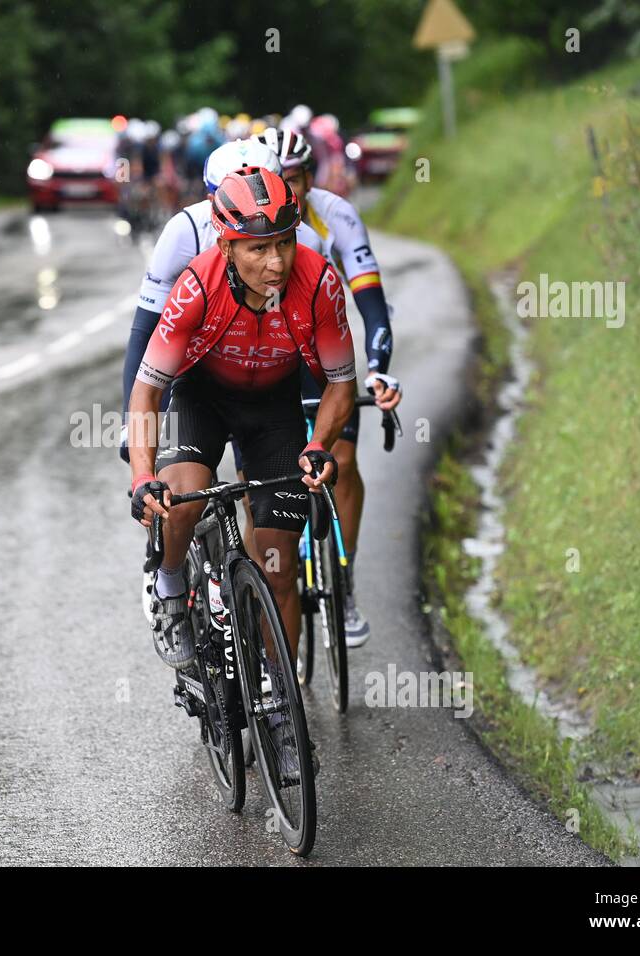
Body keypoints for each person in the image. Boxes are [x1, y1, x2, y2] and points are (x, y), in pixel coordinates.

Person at [128, 167, 355, 771]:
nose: (276, 261)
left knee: (279, 562)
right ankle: (172, 584)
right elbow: (147, 394)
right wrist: (142, 476)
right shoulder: (196, 289)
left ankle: (281, 711)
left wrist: (320, 444)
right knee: (187, 496)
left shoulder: (318, 282)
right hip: (203, 400)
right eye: (258, 248)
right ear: (226, 245)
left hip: (275, 410)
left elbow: (339, 384)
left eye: (284, 242)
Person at [259, 126, 402, 647]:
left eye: (291, 180)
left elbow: (370, 300)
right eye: (273, 179)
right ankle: (273, 587)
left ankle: (342, 580)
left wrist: (380, 366)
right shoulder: (244, 223)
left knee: (341, 460)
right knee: (260, 477)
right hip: (264, 360)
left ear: (308, 178)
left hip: (322, 355)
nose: (283, 192)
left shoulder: (333, 214)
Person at [119, 138, 327, 437]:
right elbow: (146, 330)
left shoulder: (305, 241)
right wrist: (134, 424)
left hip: (265, 374)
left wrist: (315, 407)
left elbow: (311, 336)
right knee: (170, 472)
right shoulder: (184, 231)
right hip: (195, 371)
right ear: (209, 198)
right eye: (232, 196)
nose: (251, 208)